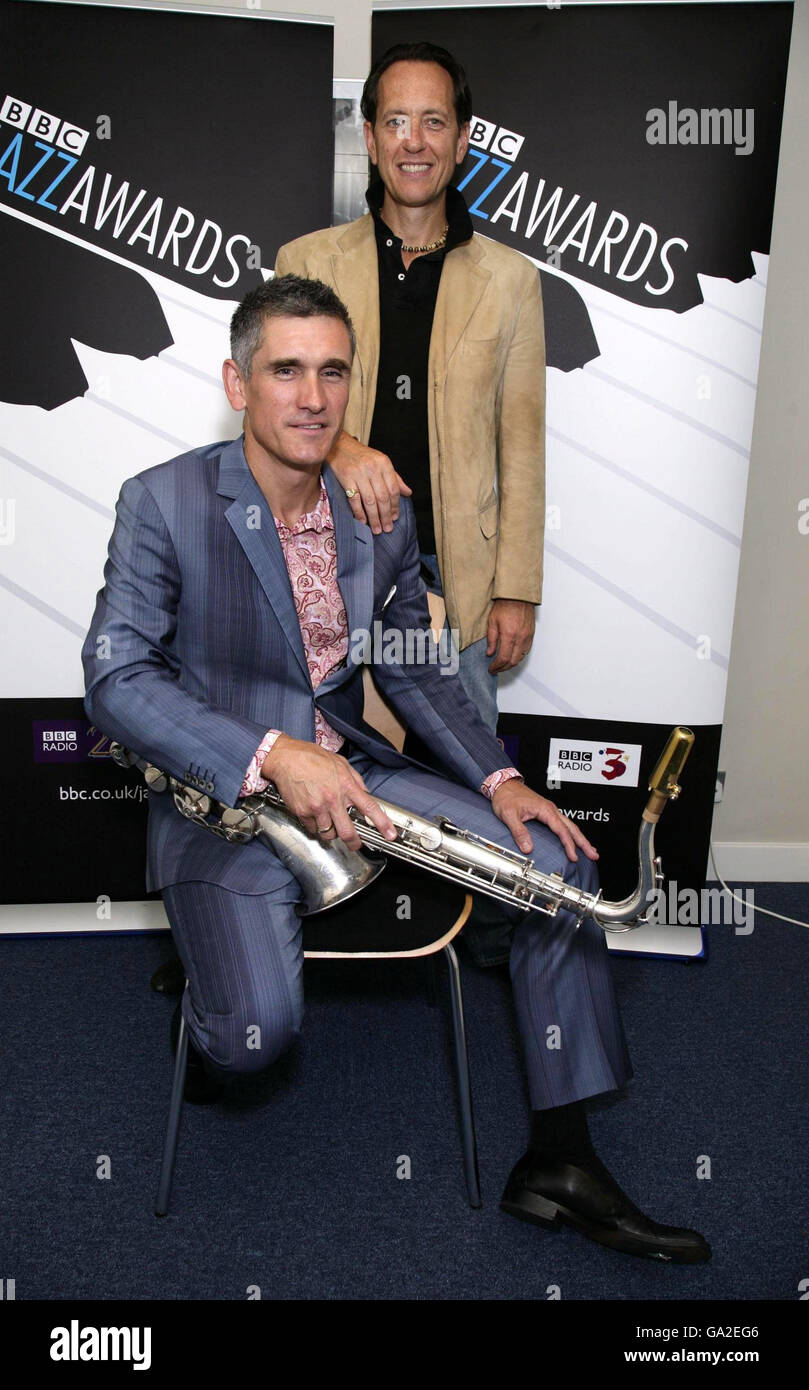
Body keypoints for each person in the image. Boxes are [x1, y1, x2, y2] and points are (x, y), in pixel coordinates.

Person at [82, 276, 709, 1264]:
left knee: (558, 867)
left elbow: (414, 674)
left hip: (355, 774)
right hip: (226, 804)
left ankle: (559, 1159)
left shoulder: (375, 515)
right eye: (284, 370)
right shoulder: (162, 500)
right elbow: (115, 675)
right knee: (254, 1042)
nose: (311, 396)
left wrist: (497, 780)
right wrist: (270, 755)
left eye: (332, 371)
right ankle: (207, 1030)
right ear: (237, 382)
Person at [276, 41, 544, 732]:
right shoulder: (304, 262)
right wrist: (342, 449)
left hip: (454, 578)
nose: (413, 141)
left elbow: (520, 447)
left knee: (472, 784)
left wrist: (514, 591)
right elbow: (273, 412)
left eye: (433, 121)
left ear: (459, 141)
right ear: (369, 139)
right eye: (396, 122)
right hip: (324, 556)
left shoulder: (511, 281)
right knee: (325, 780)